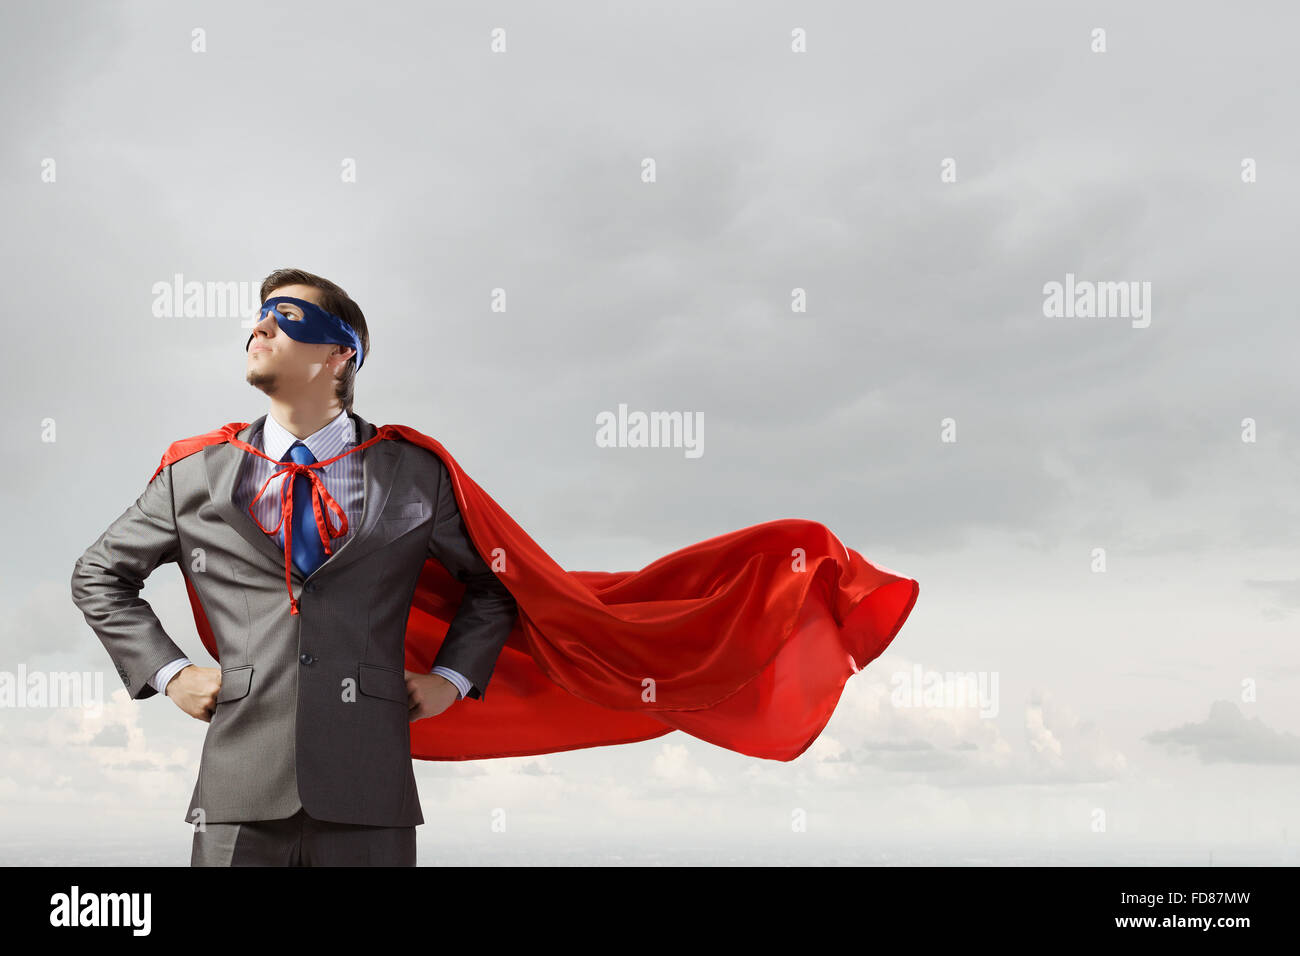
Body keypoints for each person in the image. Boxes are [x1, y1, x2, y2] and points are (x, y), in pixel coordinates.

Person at [70, 267, 517, 866]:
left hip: (369, 791)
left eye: (287, 318)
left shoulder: (415, 473)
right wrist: (170, 673)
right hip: (237, 789)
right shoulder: (195, 474)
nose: (259, 328)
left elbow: (495, 580)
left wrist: (452, 678)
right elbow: (99, 574)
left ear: (340, 353)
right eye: (258, 318)